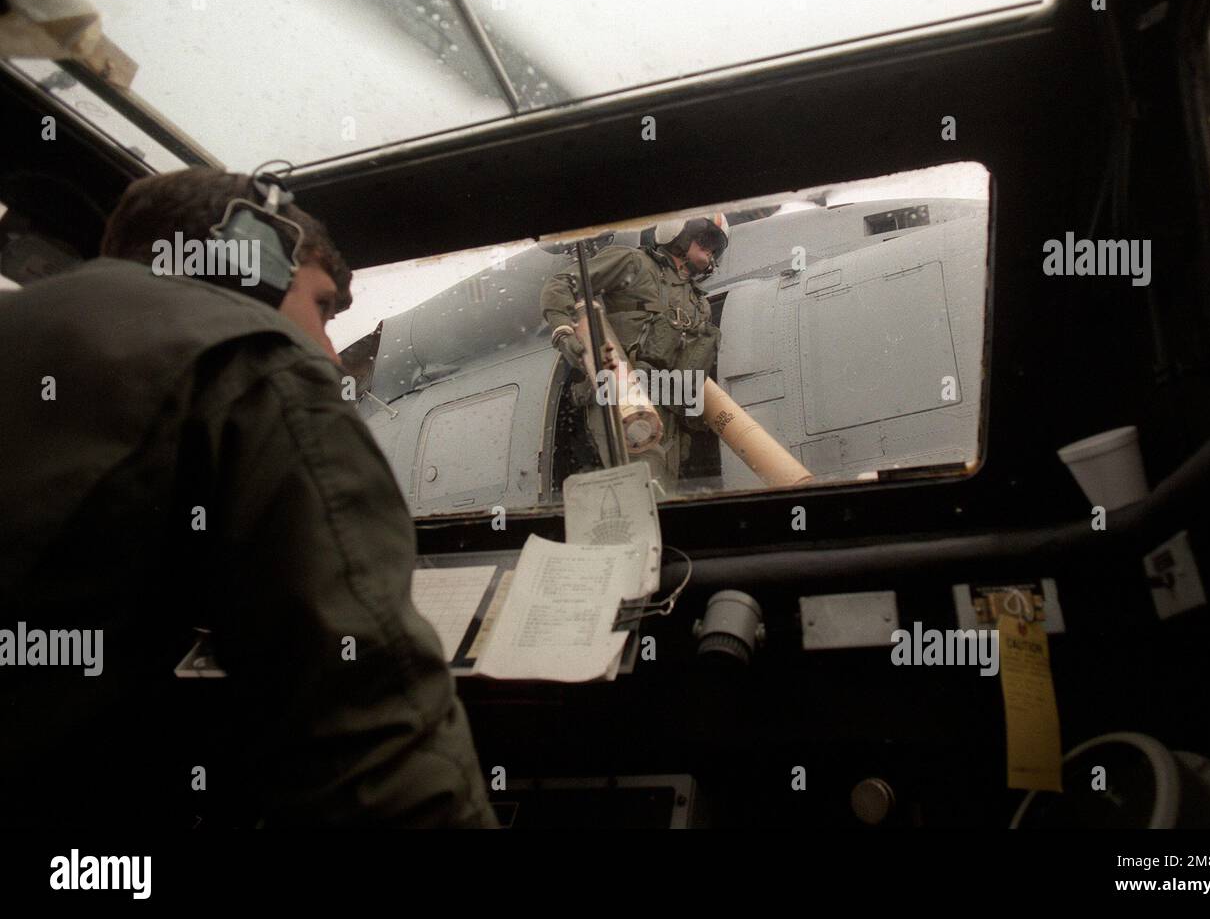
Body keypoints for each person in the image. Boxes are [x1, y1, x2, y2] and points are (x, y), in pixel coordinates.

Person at [0, 167, 495, 827]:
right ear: (249, 259)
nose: (326, 351)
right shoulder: (253, 362)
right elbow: (376, 746)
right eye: (320, 307)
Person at [539, 214, 728, 490]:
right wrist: (563, 331)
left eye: (717, 245)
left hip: (669, 414)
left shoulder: (699, 305)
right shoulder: (634, 264)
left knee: (664, 496)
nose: (711, 249)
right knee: (648, 493)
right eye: (706, 238)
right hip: (624, 398)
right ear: (679, 233)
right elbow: (562, 284)